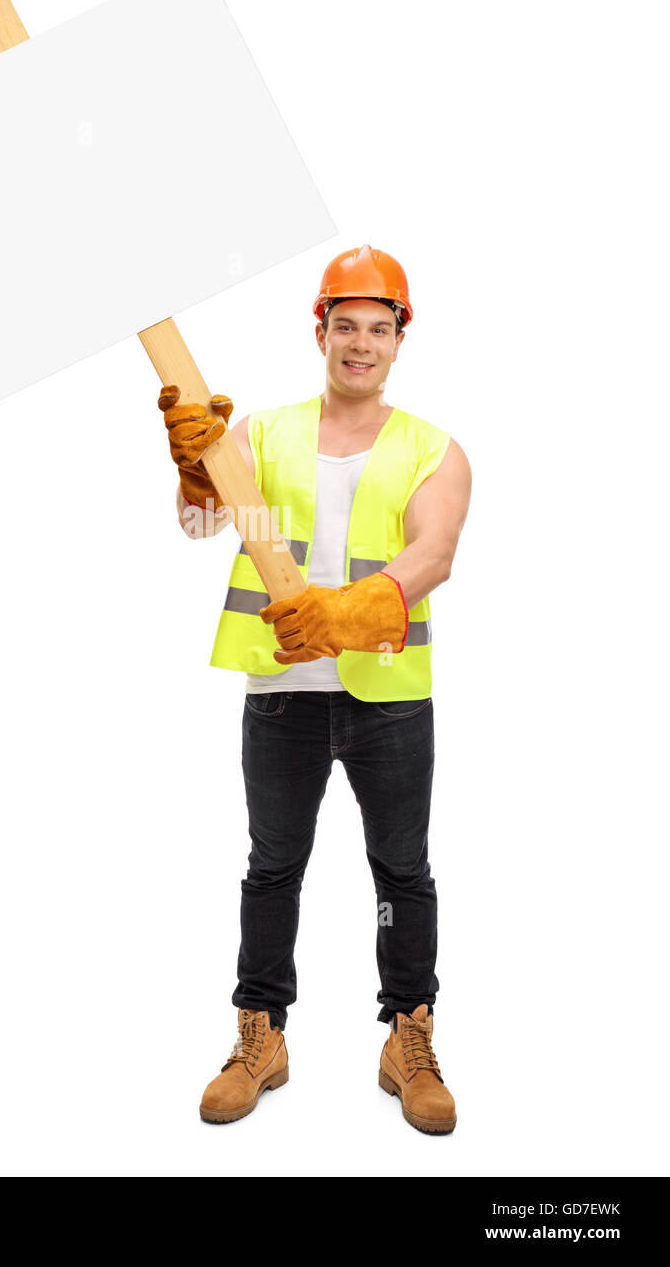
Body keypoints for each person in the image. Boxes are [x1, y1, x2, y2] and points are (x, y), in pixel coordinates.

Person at [159, 245, 471, 1134]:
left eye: (379, 329)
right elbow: (199, 524)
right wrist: (192, 472)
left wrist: (357, 608)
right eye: (347, 327)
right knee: (272, 867)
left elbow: (433, 552)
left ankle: (408, 1035)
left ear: (400, 340)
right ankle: (260, 1035)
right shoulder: (258, 435)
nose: (361, 343)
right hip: (283, 696)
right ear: (321, 332)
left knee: (402, 871)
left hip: (390, 699)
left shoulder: (434, 449)